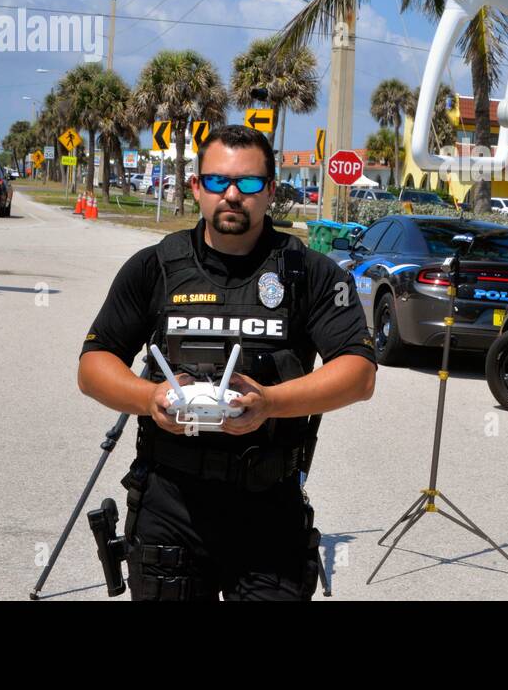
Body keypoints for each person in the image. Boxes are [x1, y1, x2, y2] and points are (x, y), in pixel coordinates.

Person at [77, 124, 376, 601]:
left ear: (271, 190)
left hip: (268, 505)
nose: (232, 195)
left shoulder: (309, 273)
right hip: (169, 503)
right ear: (197, 186)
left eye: (249, 183)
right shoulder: (154, 267)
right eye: (218, 181)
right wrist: (149, 398)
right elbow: (94, 365)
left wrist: (270, 402)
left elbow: (359, 374)